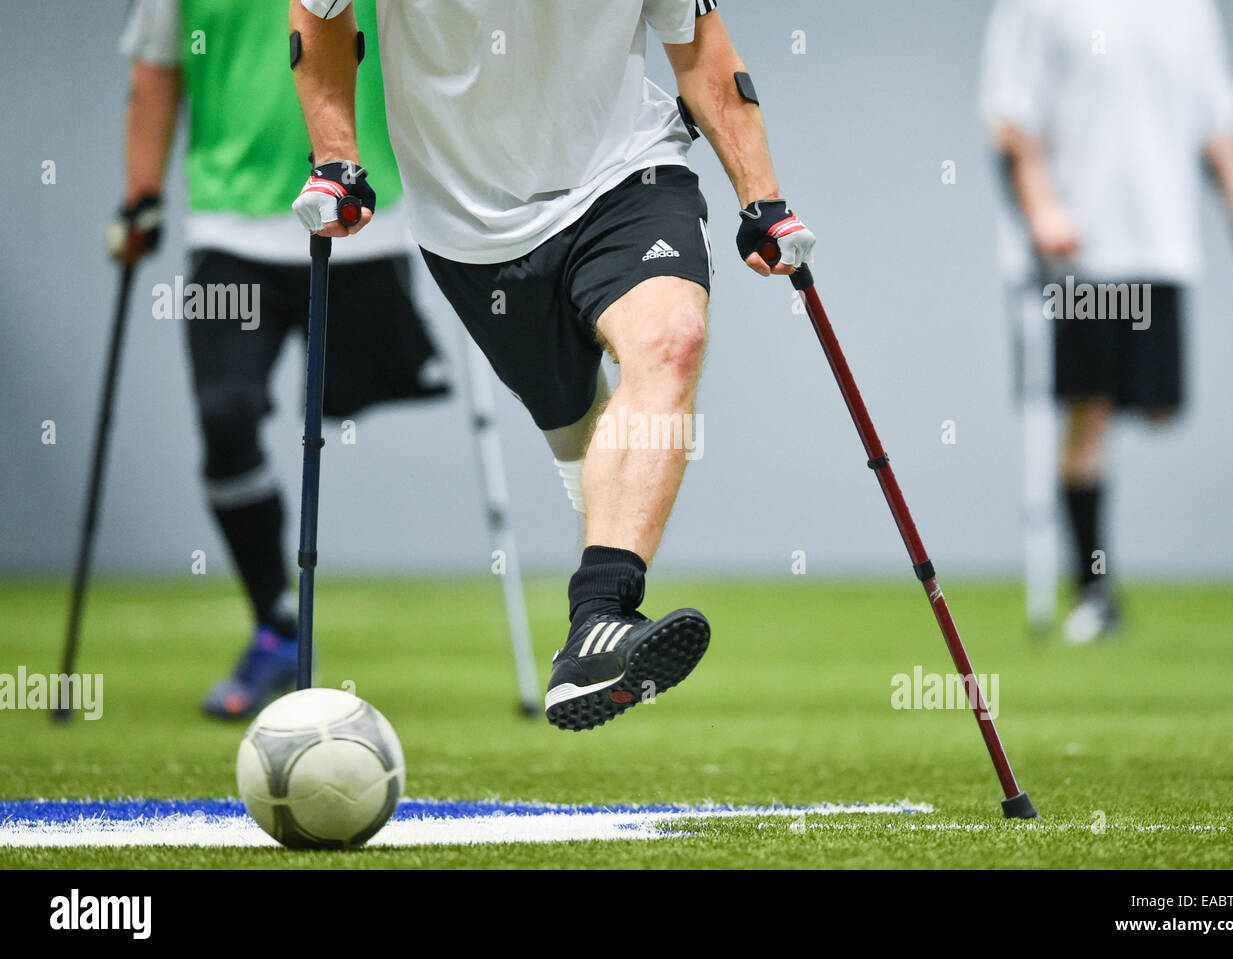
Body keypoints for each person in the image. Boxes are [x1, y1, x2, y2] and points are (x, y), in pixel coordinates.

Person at [290, 0, 816, 729]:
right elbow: (321, 13)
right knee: (580, 439)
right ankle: (598, 593)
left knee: (673, 338)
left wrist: (764, 197)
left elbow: (697, 46)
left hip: (628, 173)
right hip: (472, 225)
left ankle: (597, 618)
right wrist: (335, 158)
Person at [114, 0, 453, 716]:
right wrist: (141, 194)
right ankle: (276, 621)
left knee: (365, 394)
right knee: (224, 412)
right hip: (231, 229)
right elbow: (155, 71)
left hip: (366, 219)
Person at [979, 0, 1233, 643]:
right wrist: (1043, 208)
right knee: (1089, 410)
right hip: (1082, 254)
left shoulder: (1190, 11)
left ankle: (1097, 581)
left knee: (1155, 408)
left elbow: (1219, 126)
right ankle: (1095, 589)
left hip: (1163, 244)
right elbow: (1011, 120)